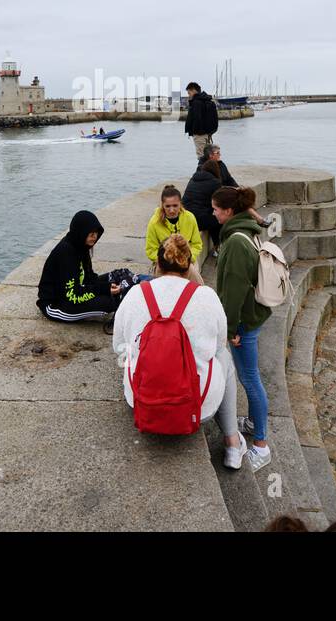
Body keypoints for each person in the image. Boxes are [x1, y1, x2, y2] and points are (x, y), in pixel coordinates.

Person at [112, 234, 247, 469]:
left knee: (129, 354)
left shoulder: (136, 294)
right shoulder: (206, 296)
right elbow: (218, 347)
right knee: (224, 357)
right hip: (197, 407)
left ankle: (149, 395)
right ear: (189, 266)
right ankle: (232, 443)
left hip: (141, 402)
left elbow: (119, 347)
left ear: (157, 263)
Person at [212, 185, 273, 471]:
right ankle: (251, 423)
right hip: (251, 316)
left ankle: (261, 445)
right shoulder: (244, 231)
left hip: (244, 323)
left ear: (228, 211)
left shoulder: (235, 242)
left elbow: (234, 291)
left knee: (250, 380)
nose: (212, 214)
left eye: (215, 209)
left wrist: (231, 329)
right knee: (250, 378)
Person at [37, 210, 125, 322]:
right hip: (56, 304)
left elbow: (89, 278)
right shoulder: (66, 252)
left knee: (118, 276)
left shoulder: (81, 246)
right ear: (81, 232)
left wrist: (107, 286)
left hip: (76, 291)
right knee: (110, 302)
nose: (95, 236)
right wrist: (105, 290)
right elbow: (73, 296)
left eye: (96, 233)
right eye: (91, 233)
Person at [200, 143, 272, 228]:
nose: (220, 155)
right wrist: (233, 190)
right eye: (218, 153)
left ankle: (257, 220)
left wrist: (237, 187)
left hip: (222, 191)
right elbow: (213, 185)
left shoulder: (221, 164)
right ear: (211, 155)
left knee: (243, 195)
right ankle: (259, 220)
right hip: (215, 196)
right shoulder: (203, 167)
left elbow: (229, 179)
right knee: (240, 200)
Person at [145, 185, 204, 282]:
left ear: (180, 203)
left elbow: (197, 244)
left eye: (175, 206)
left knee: (195, 279)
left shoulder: (190, 218)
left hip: (187, 259)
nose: (171, 210)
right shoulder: (154, 222)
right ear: (162, 205)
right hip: (164, 263)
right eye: (167, 206)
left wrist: (188, 258)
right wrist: (167, 261)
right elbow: (151, 250)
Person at [183, 160, 226, 256]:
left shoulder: (193, 179)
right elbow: (219, 204)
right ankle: (218, 246)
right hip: (198, 221)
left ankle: (217, 247)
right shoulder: (215, 183)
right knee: (219, 219)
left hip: (185, 217)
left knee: (210, 216)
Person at [184, 82, 219, 159]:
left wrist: (195, 132)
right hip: (208, 133)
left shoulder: (196, 102)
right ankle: (210, 169)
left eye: (189, 93)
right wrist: (210, 132)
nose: (189, 96)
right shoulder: (208, 101)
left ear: (193, 90)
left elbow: (197, 118)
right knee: (208, 155)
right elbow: (214, 118)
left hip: (199, 134)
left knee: (201, 156)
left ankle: (203, 170)